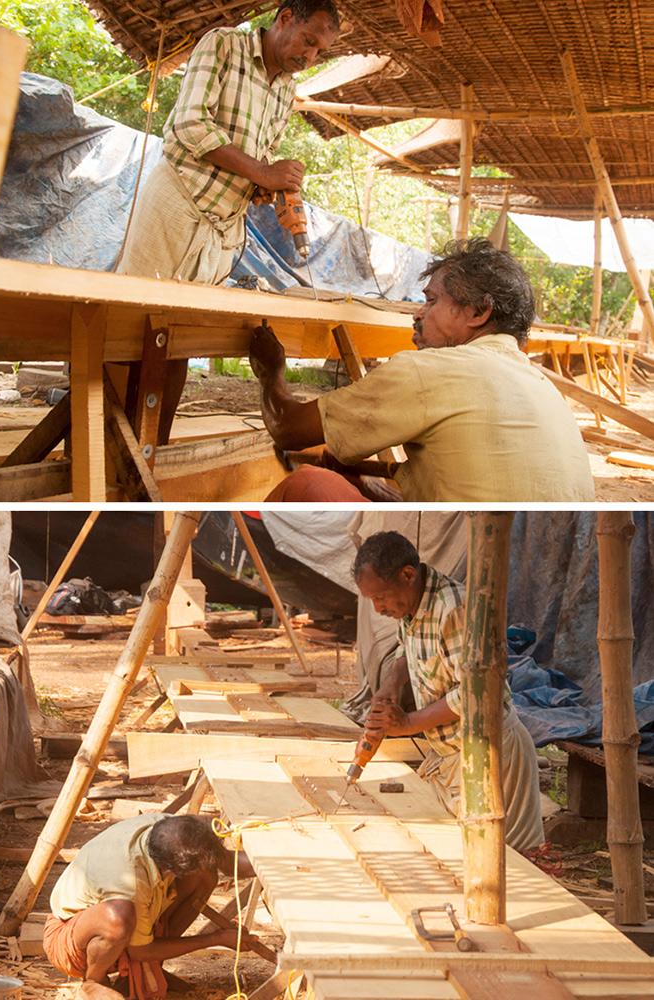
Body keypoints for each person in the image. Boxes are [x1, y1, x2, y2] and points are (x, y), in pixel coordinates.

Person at [118, 0, 340, 443]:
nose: (310, 57)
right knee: (126, 330)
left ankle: (150, 451)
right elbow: (188, 126)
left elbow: (254, 160)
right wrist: (261, 172)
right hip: (178, 201)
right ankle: (104, 444)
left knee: (178, 341)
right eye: (308, 41)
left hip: (223, 225)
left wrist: (263, 183)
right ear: (284, 19)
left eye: (320, 52)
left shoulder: (284, 91)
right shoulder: (223, 46)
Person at [249, 237, 596, 501]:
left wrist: (271, 371)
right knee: (352, 481)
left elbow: (288, 430)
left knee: (309, 485)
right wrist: (371, 482)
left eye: (431, 301)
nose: (418, 314)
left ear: (478, 312)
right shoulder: (540, 384)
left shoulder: (428, 370)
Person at [352, 531, 544, 853]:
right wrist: (390, 686)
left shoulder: (453, 608)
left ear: (408, 575)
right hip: (453, 754)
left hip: (490, 753)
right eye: (371, 600)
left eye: (381, 597)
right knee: (459, 856)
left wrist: (408, 724)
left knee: (505, 863)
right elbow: (406, 650)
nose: (378, 608)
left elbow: (476, 692)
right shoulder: (412, 607)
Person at [43, 813, 258, 999]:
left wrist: (278, 863)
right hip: (72, 941)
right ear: (173, 869)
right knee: (118, 918)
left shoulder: (169, 829)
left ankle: (155, 965)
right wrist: (215, 939)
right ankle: (94, 983)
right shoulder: (130, 883)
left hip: (126, 927)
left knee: (205, 874)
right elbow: (140, 952)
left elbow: (228, 863)